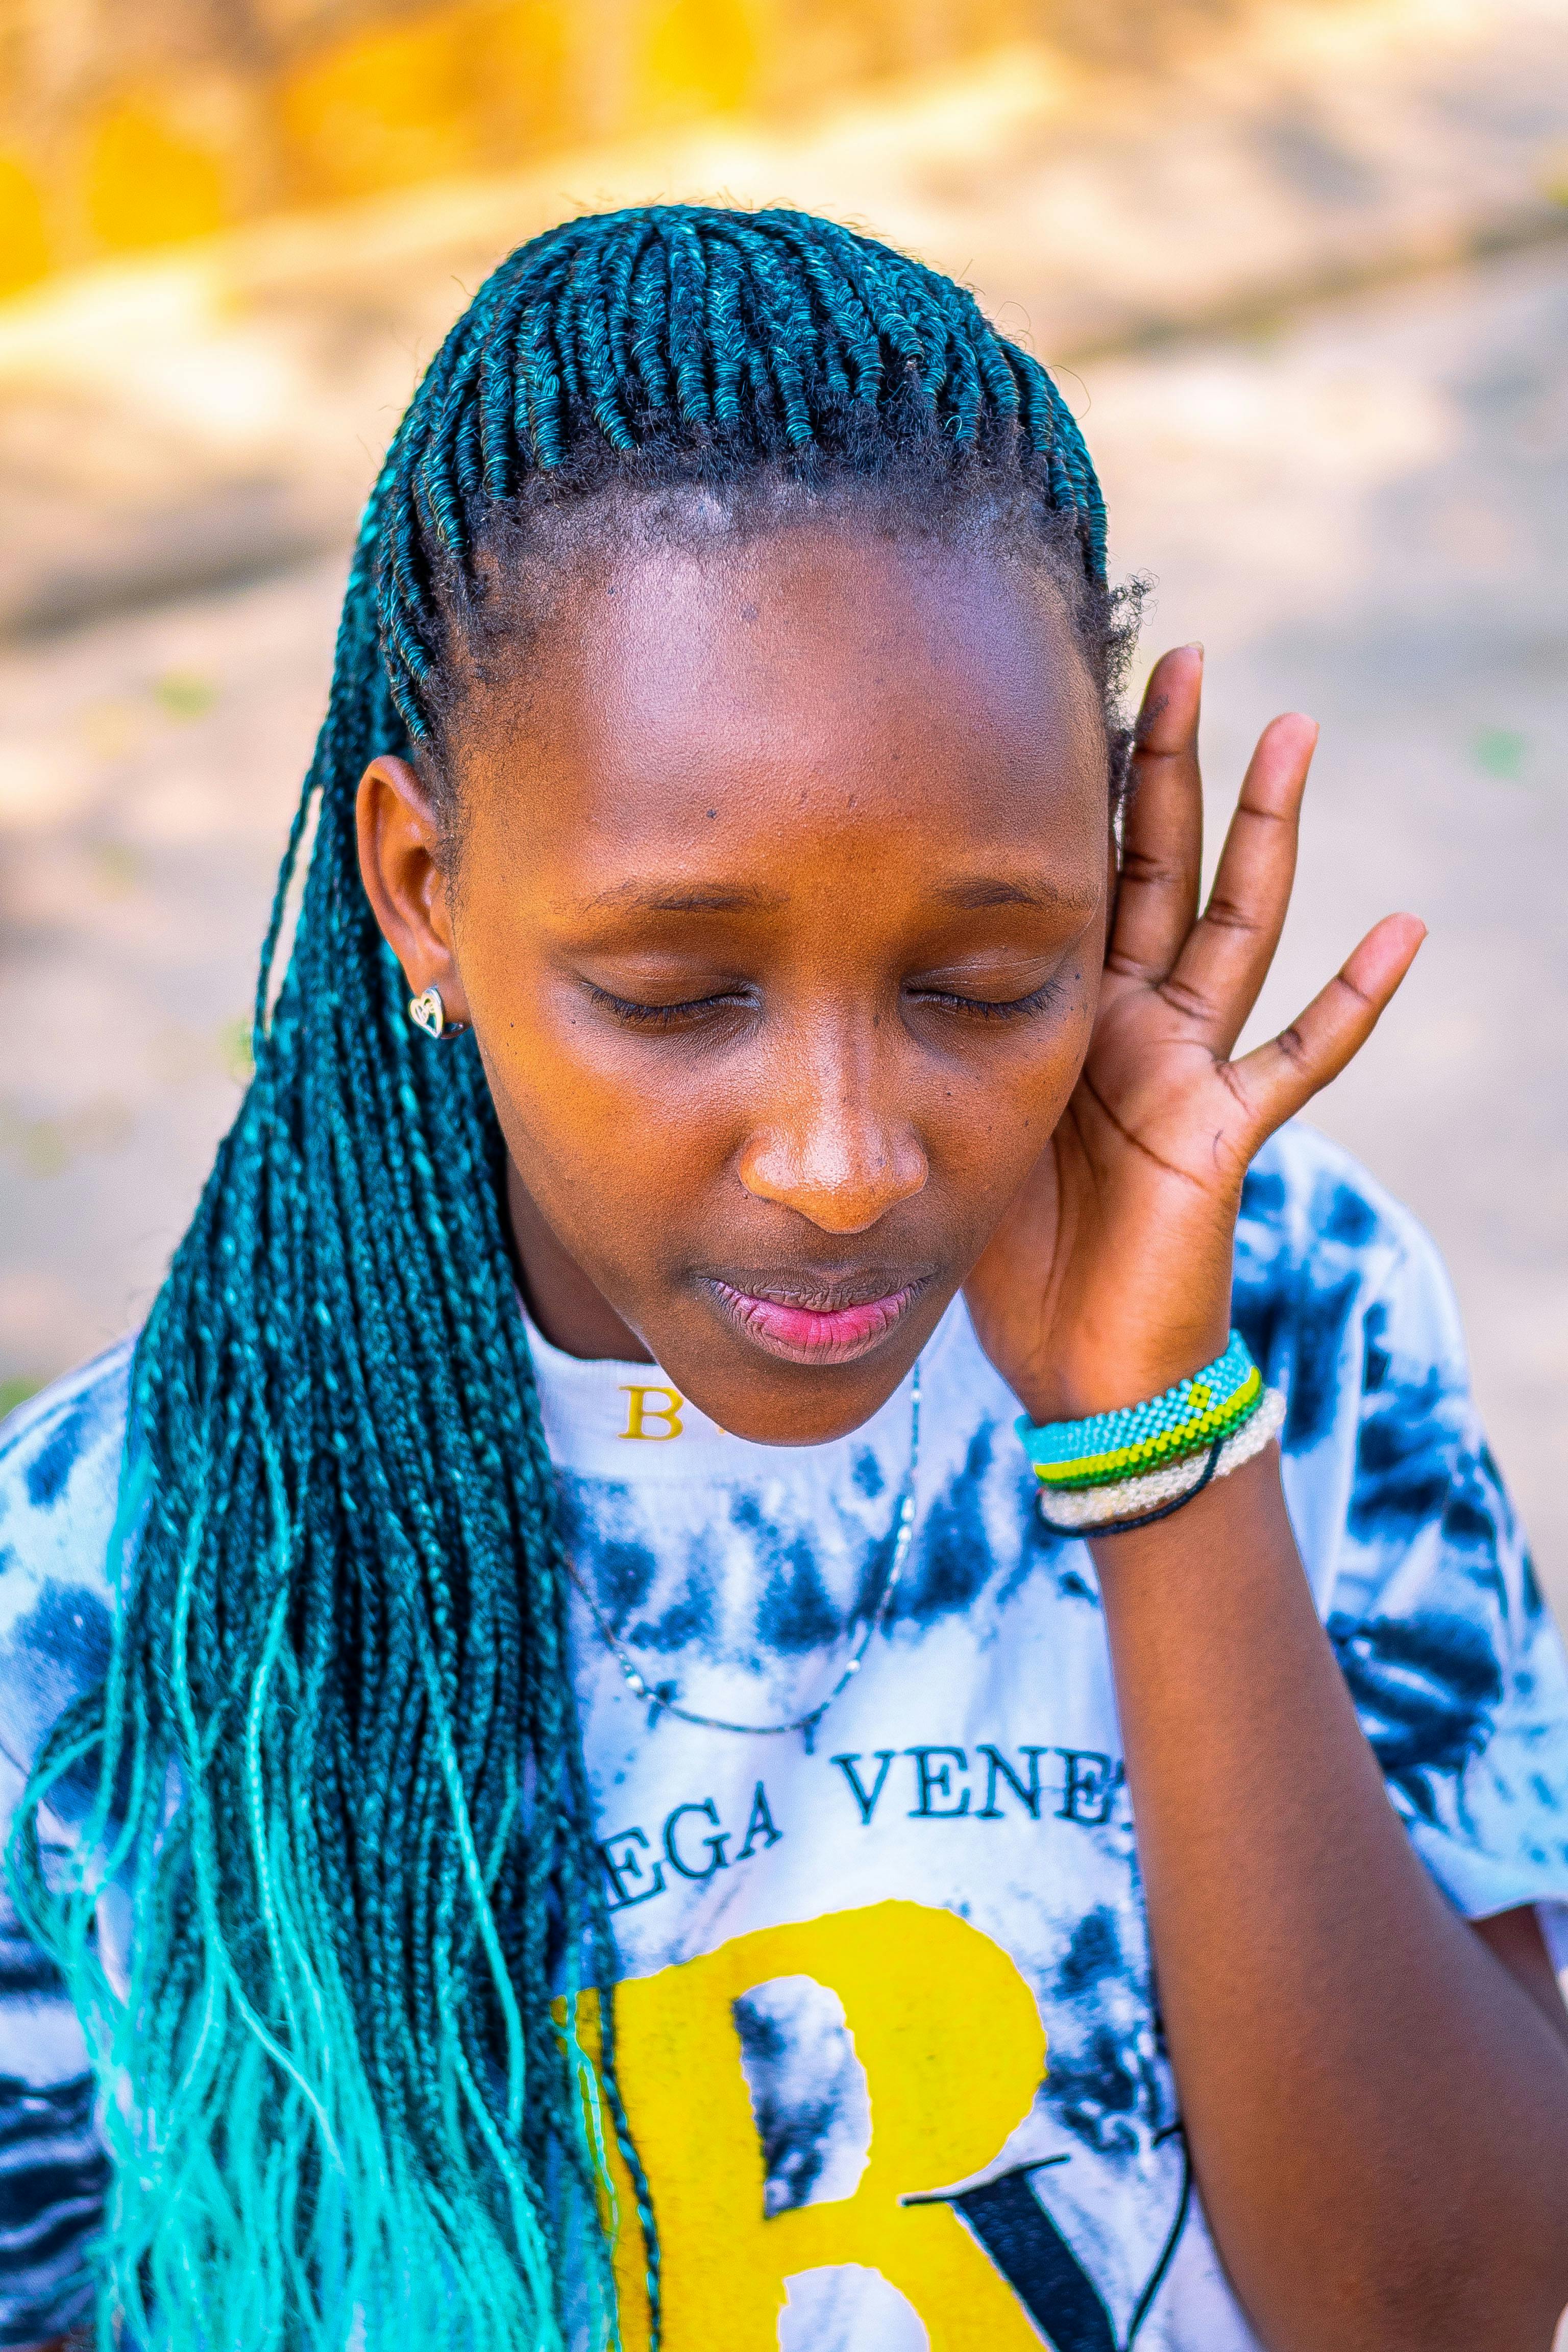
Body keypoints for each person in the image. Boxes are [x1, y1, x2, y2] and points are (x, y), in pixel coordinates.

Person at [3, 205, 1567, 2352]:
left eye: (983, 983)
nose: (844, 1164)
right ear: (422, 886)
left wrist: (1161, 1444)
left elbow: (1452, 2305)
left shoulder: (1293, 1314)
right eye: (676, 994)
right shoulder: (105, 1593)